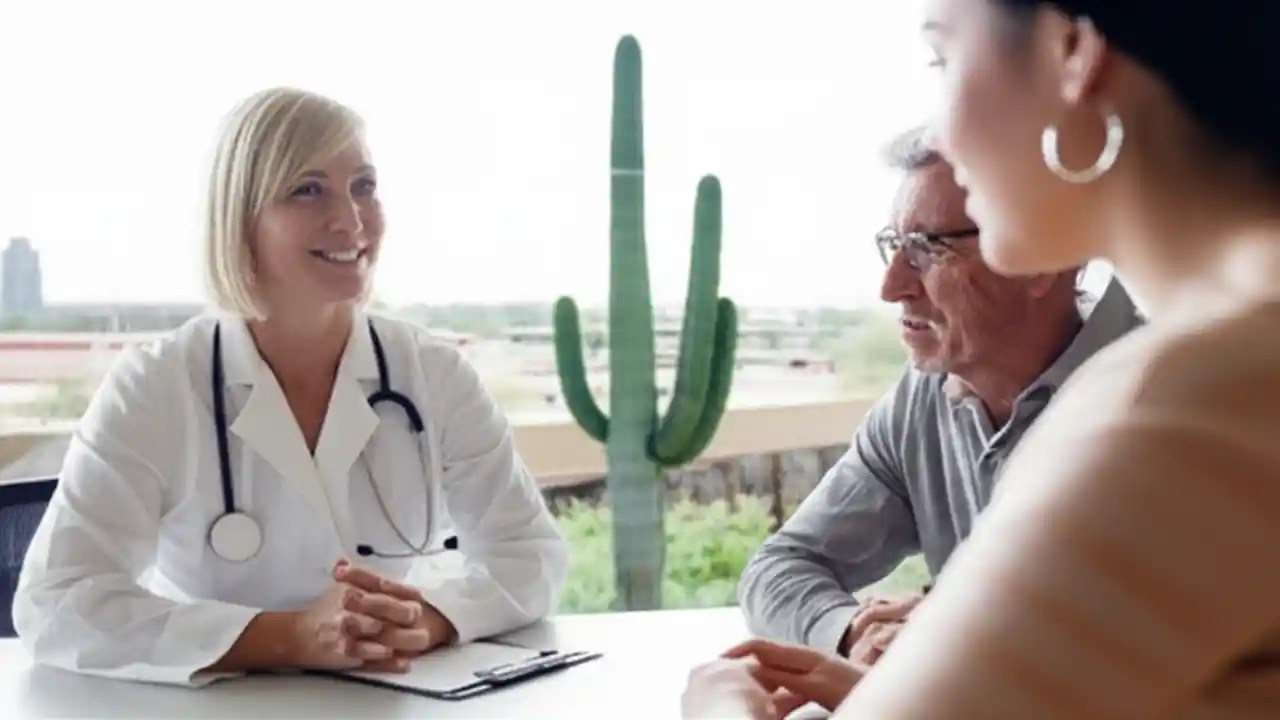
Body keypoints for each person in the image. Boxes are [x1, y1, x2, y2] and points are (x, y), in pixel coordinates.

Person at [686, 1, 1280, 717]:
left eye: (944, 59)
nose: (940, 131)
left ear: (1072, 53)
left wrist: (719, 704)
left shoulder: (1183, 404)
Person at [13, 87, 568, 686]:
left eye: (364, 186)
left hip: (390, 696)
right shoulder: (156, 385)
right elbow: (57, 604)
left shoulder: (432, 373)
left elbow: (531, 555)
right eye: (308, 189)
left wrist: (425, 617)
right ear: (241, 218)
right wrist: (292, 636)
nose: (351, 220)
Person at [738, 126, 1141, 666]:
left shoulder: (1165, 397)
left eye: (929, 248)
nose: (891, 285)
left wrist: (942, 635)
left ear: (1043, 257)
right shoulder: (923, 397)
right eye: (895, 245)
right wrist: (856, 635)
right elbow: (781, 566)